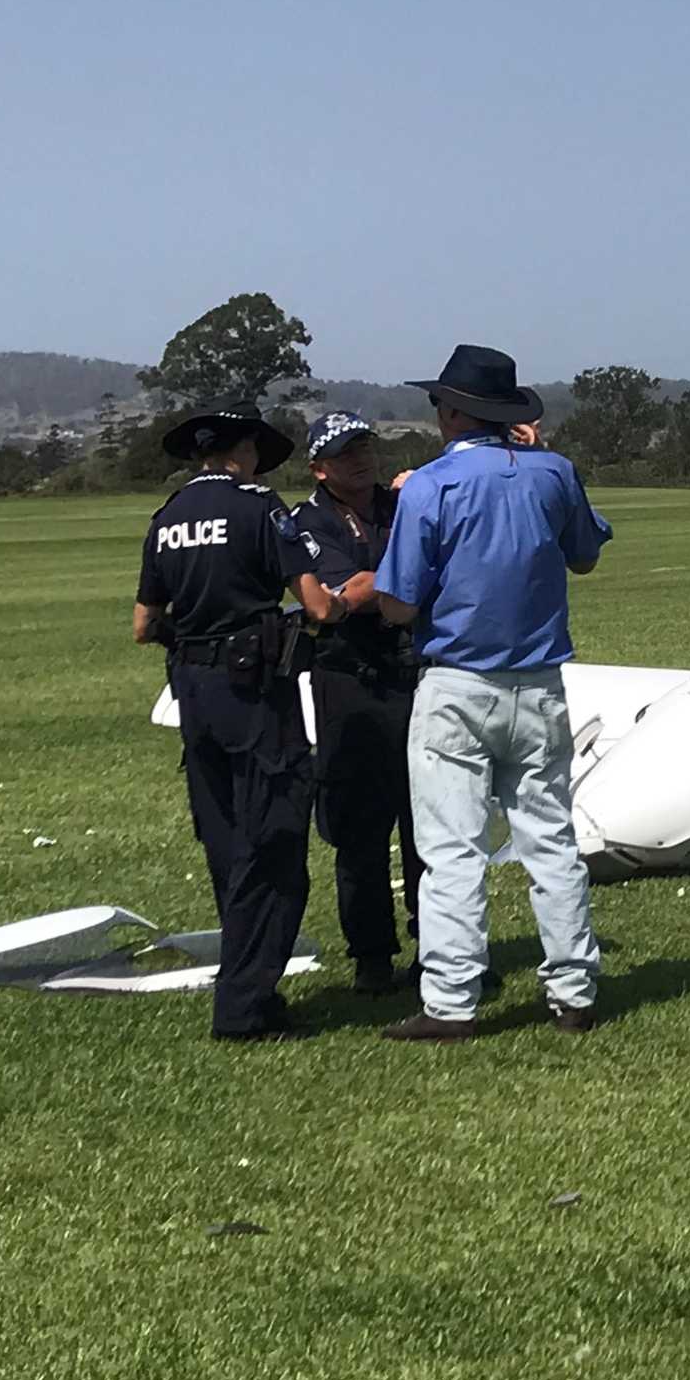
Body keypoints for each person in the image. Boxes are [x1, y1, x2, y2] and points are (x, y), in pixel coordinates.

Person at [373, 345, 614, 1042]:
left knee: (451, 851)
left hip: (456, 684)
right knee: (552, 844)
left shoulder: (429, 484)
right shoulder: (554, 473)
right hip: (539, 684)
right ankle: (574, 992)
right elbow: (586, 556)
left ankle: (451, 1000)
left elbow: (395, 603)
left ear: (452, 412)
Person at [132, 408, 333, 1042]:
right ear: (244, 452)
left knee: (224, 842)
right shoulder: (260, 506)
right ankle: (243, 1003)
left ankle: (250, 985)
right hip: (255, 692)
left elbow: (143, 625)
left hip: (194, 693)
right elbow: (318, 605)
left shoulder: (166, 518)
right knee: (273, 840)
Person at [289, 411, 424, 995]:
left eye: (365, 448)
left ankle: (439, 947)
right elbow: (350, 592)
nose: (361, 460)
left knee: (430, 824)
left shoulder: (400, 505)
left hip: (413, 674)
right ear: (319, 468)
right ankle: (372, 956)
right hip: (349, 682)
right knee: (359, 828)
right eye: (344, 454)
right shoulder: (306, 522)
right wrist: (412, 557)